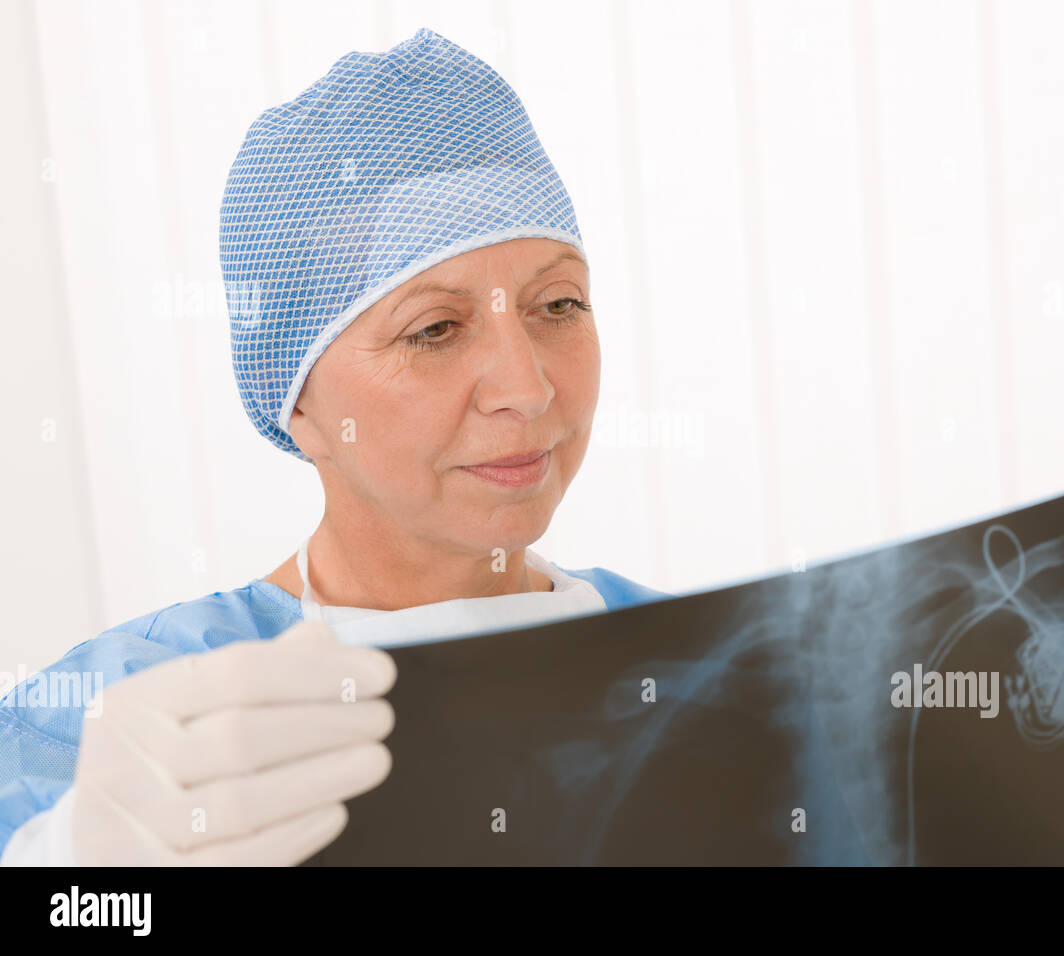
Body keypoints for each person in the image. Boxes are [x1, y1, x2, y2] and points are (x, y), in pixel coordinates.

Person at [0, 28, 669, 866]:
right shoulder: (122, 728)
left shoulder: (695, 662)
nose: (526, 387)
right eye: (434, 328)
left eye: (559, 305)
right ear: (298, 402)